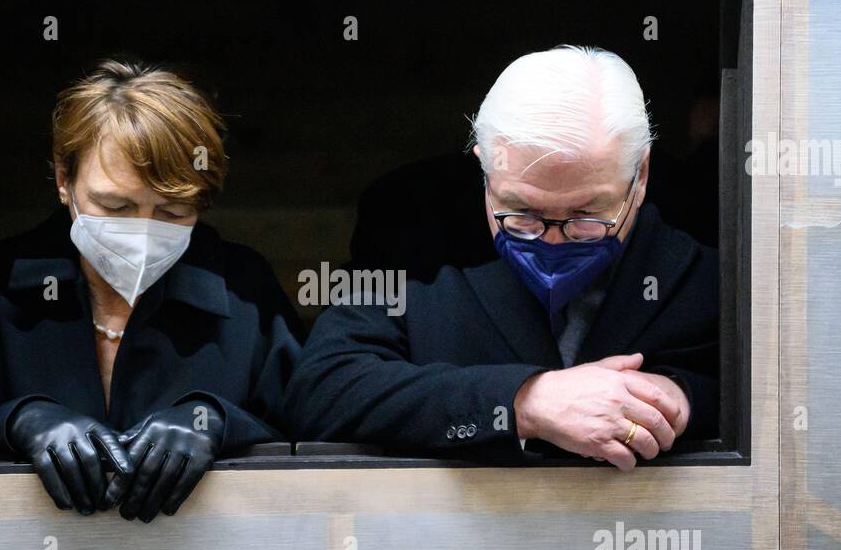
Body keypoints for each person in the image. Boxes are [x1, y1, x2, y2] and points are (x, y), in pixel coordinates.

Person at [283, 45, 719, 470]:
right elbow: (323, 391)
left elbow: (736, 377)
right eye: (522, 213)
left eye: (586, 215)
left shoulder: (709, 229)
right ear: (486, 169)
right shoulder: (414, 235)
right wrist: (524, 402)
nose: (552, 242)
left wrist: (679, 396)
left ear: (640, 175)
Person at [0, 59, 302, 518]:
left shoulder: (244, 293)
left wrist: (219, 422)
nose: (142, 232)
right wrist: (16, 422)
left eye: (172, 212)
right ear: (63, 180)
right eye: (115, 207)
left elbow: (307, 433)